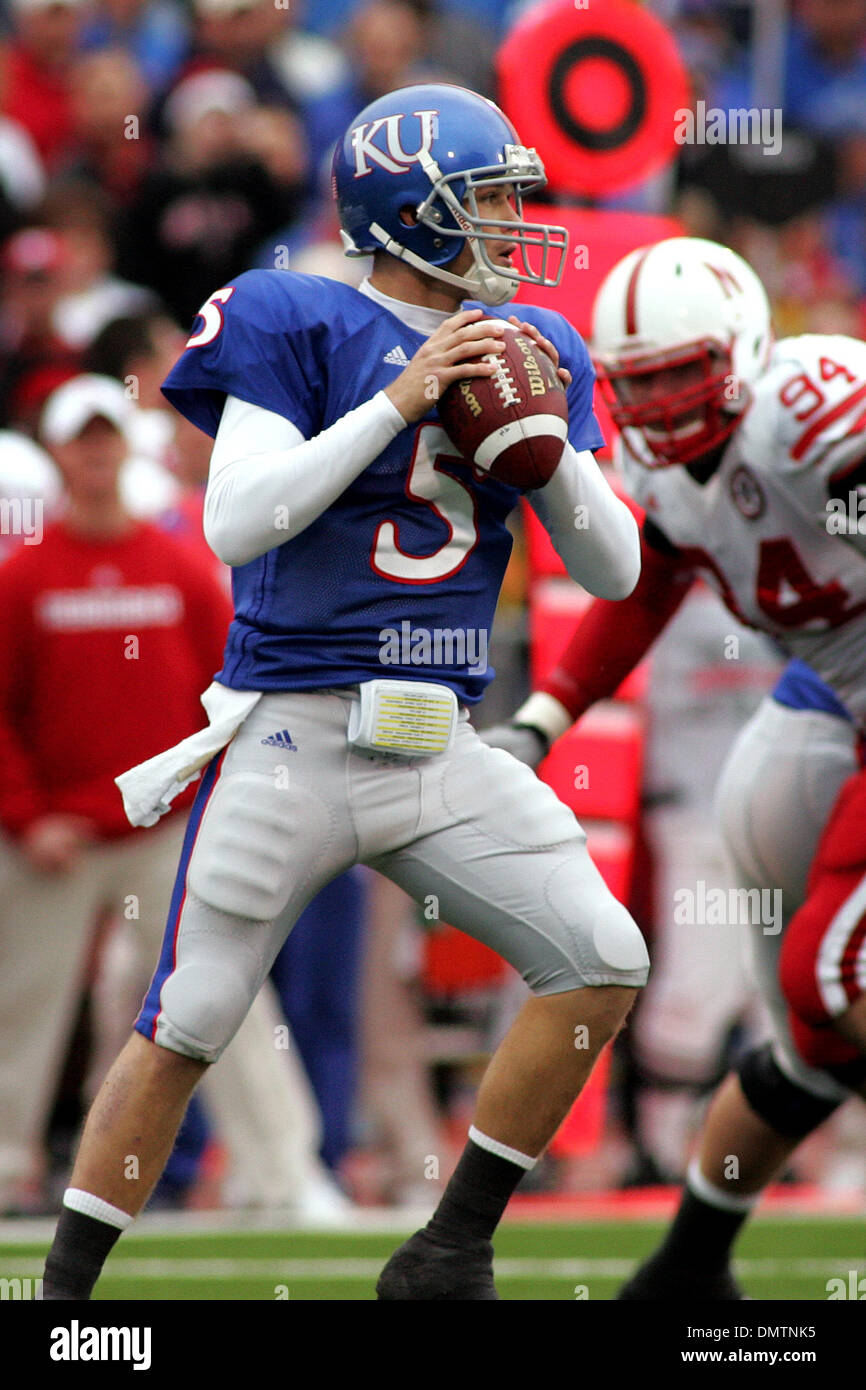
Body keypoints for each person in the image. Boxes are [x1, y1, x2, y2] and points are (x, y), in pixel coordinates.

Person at [40, 82, 646, 1301]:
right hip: (293, 732)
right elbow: (235, 519)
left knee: (602, 956)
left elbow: (614, 566)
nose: (511, 221)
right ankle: (61, 1302)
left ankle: (448, 1246)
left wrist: (543, 454)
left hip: (442, 744)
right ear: (407, 210)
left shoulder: (532, 341)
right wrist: (400, 399)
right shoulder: (297, 315)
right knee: (193, 1017)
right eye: (484, 198)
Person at [482, 234, 866, 1298]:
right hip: (827, 688)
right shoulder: (657, 465)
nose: (655, 406)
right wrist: (544, 718)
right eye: (635, 382)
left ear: (743, 346)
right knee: (807, 1040)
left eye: (679, 374)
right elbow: (647, 579)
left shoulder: (819, 416)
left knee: (830, 973)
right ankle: (684, 1271)